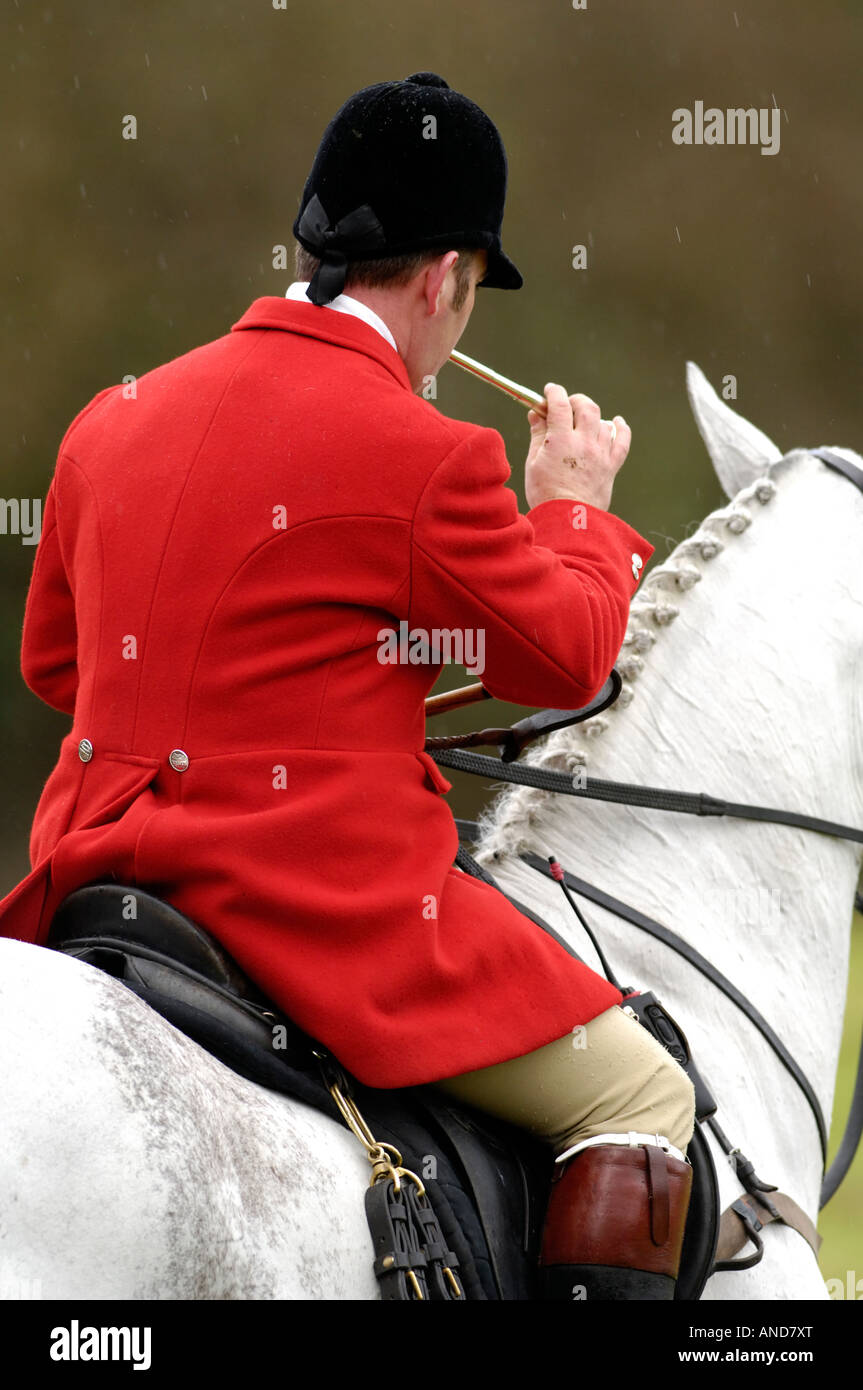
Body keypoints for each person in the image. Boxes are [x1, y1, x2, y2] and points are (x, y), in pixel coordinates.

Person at [0, 71, 694, 1300]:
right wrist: (574, 513)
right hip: (316, 905)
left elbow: (58, 663)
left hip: (95, 878)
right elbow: (568, 657)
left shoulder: (108, 421)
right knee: (643, 1089)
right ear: (444, 278)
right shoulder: (430, 456)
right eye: (467, 298)